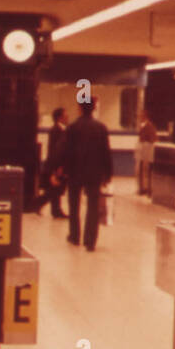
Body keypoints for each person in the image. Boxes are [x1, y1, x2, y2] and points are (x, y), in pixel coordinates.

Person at [63, 97, 113, 252]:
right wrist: (108, 174)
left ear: (79, 108)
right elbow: (106, 152)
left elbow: (67, 151)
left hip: (75, 172)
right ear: (94, 108)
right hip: (94, 173)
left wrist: (63, 169)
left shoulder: (72, 127)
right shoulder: (101, 128)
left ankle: (74, 235)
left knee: (74, 205)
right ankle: (90, 241)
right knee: (92, 207)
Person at [33, 107, 69, 217]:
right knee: (55, 189)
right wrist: (57, 167)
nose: (67, 117)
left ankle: (56, 210)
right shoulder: (57, 130)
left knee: (55, 188)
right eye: (65, 115)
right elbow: (56, 150)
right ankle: (37, 203)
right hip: (56, 164)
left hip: (55, 163)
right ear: (60, 117)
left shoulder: (58, 129)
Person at [137, 109, 158, 196]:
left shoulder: (149, 126)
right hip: (143, 151)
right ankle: (142, 188)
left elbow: (153, 139)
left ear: (145, 116)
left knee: (147, 171)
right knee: (142, 170)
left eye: (141, 116)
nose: (139, 117)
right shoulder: (142, 126)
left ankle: (147, 189)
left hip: (147, 152)